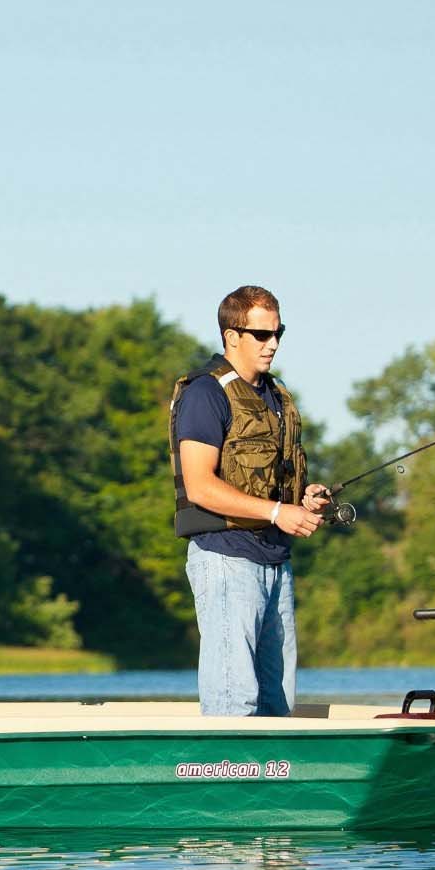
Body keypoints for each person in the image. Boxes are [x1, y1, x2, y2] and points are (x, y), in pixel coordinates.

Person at [167, 285, 330, 716]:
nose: (272, 343)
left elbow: (270, 485)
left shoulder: (275, 397)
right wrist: (278, 512)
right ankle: (224, 778)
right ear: (232, 336)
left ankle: (271, 780)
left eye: (278, 333)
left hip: (275, 562)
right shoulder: (206, 393)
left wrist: (303, 500)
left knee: (278, 706)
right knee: (233, 702)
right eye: (261, 334)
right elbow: (200, 486)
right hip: (225, 559)